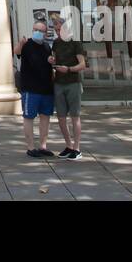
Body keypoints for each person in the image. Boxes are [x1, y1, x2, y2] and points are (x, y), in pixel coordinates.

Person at [14, 19, 56, 159]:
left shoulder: (46, 47)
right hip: (30, 88)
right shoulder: (27, 45)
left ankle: (43, 146)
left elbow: (50, 65)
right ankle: (30, 147)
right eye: (35, 29)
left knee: (45, 117)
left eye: (40, 31)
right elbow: (16, 52)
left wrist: (52, 62)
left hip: (46, 89)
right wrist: (21, 43)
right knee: (29, 117)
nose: (37, 32)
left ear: (45, 33)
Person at [49, 17, 88, 160]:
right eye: (56, 29)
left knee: (75, 117)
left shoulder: (75, 43)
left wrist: (69, 69)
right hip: (59, 82)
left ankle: (77, 148)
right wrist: (51, 61)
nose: (58, 32)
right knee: (61, 118)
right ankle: (68, 145)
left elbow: (82, 64)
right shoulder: (56, 43)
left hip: (73, 83)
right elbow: (54, 59)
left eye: (60, 29)